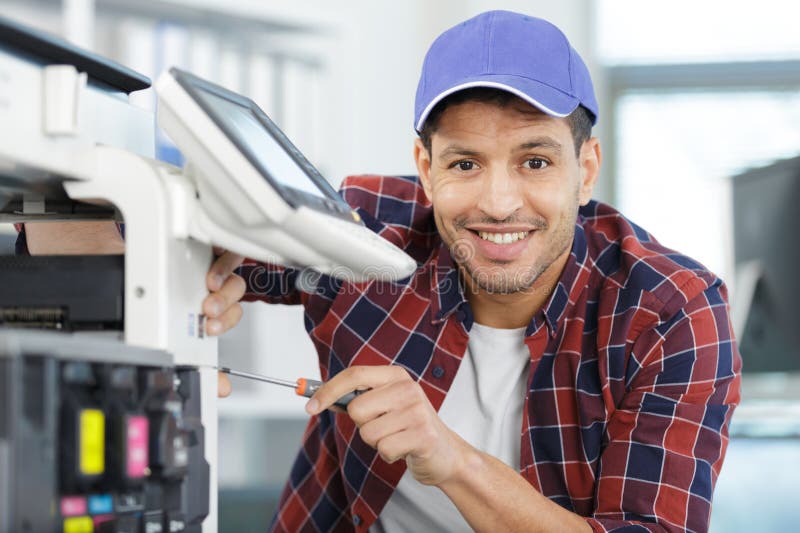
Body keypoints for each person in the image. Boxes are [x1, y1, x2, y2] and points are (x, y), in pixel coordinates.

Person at [23, 10, 741, 533]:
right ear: (426, 168)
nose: (497, 203)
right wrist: (191, 285)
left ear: (585, 170)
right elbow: (155, 225)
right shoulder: (369, 232)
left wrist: (446, 455)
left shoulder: (672, 312)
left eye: (535, 160)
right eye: (464, 163)